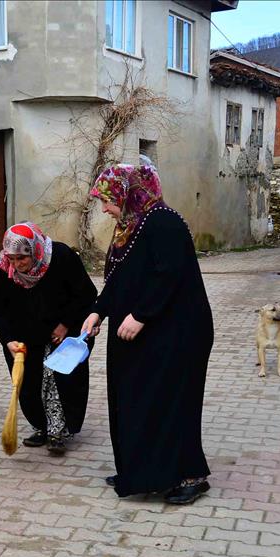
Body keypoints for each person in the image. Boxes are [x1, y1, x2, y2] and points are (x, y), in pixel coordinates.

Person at [82, 164, 213, 505]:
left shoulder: (163, 221)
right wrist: (98, 310)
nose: (105, 208)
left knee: (173, 403)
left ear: (128, 194)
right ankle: (139, 470)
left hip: (180, 332)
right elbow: (119, 280)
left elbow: (170, 274)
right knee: (136, 399)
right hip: (149, 331)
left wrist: (141, 314)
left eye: (108, 200)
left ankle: (191, 475)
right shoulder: (130, 227)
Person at [0, 222, 97, 455]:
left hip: (62, 334)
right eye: (11, 259)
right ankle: (41, 426)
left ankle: (59, 432)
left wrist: (66, 323)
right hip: (23, 336)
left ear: (34, 250)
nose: (15, 265)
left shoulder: (61, 258)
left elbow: (86, 295)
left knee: (57, 380)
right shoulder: (1, 269)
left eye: (21, 259)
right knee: (28, 384)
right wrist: (7, 340)